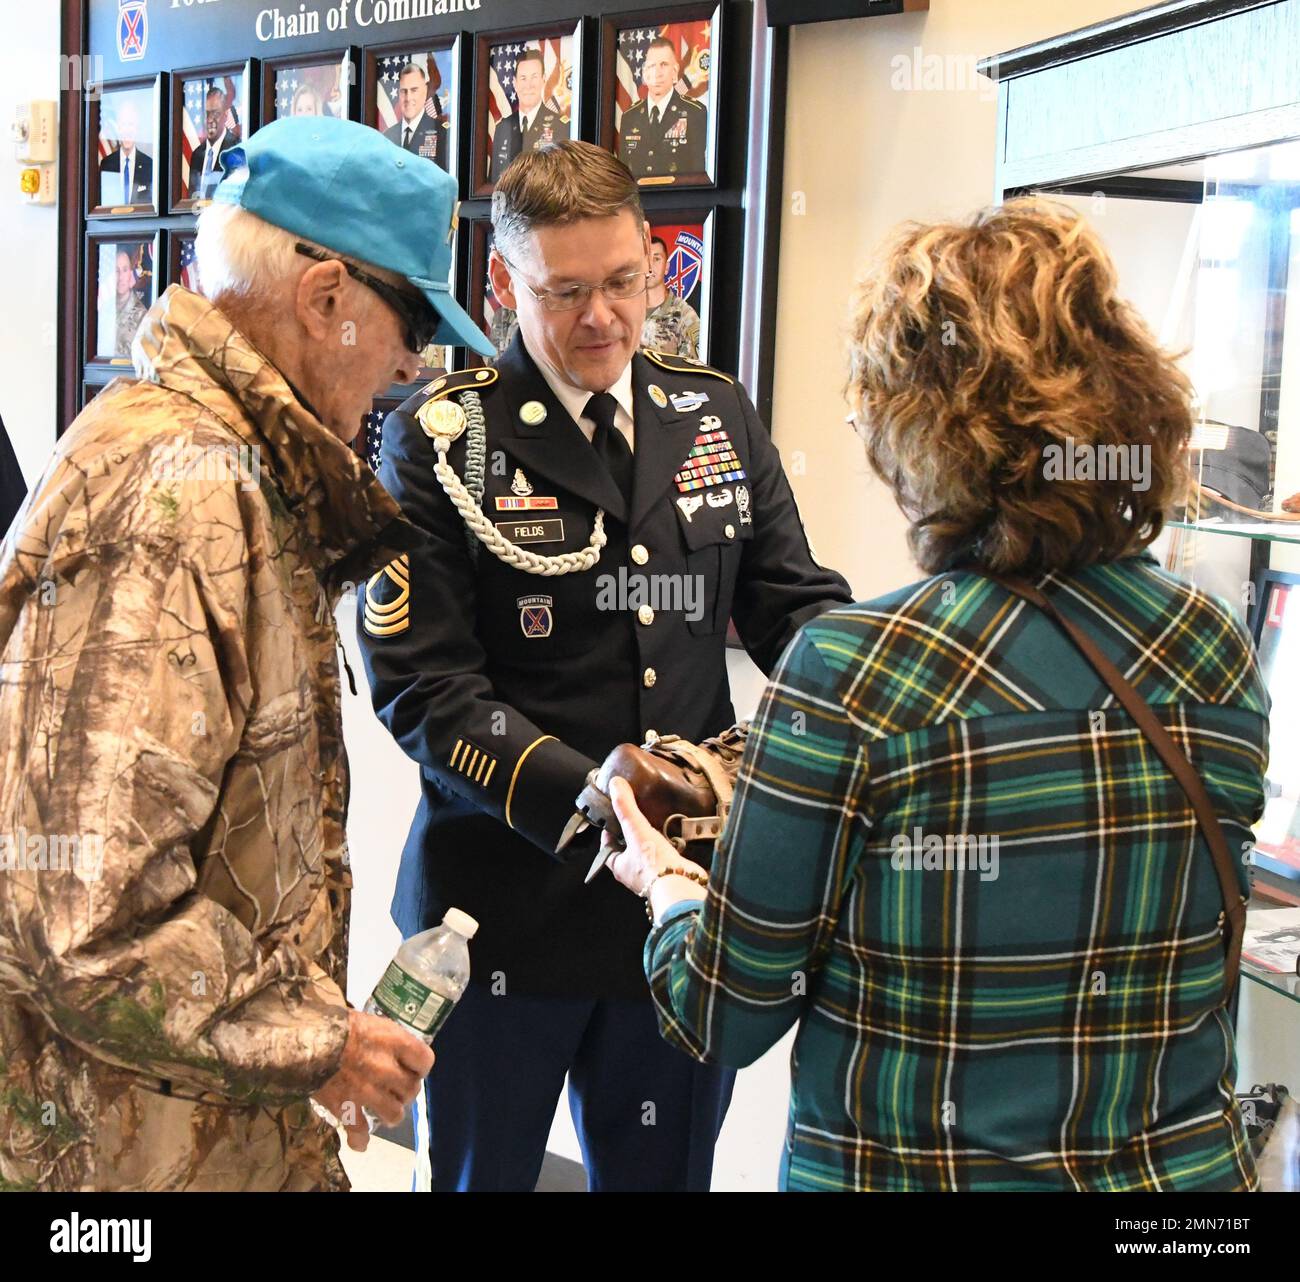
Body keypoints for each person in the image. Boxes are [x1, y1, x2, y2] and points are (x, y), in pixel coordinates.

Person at [601, 198, 1269, 1192]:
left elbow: (723, 1013)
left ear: (922, 431)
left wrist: (670, 888)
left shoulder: (853, 671)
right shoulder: (1207, 644)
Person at [0, 115, 494, 1192]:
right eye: (408, 319)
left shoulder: (233, 475)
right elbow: (87, 920)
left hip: (194, 1134)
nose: (413, 364)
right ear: (323, 298)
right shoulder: (175, 499)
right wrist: (321, 1040)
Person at [356, 139, 852, 1192]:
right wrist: (595, 800)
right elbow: (423, 688)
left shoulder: (709, 412)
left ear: (656, 267)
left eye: (623, 283)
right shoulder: (439, 438)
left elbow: (791, 604)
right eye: (565, 291)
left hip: (676, 913)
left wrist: (885, 680)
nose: (601, 319)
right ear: (502, 285)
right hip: (503, 916)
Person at [619, 37, 706, 182]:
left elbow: (698, 174)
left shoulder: (694, 112)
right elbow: (623, 175)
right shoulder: (629, 117)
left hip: (679, 199)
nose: (657, 73)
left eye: (664, 65)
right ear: (645, 73)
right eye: (652, 66)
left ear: (675, 72)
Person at [489, 48, 570, 182]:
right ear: (515, 83)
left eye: (534, 77)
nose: (529, 85)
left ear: (543, 80)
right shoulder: (503, 127)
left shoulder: (561, 126)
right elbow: (493, 184)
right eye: (523, 78)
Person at [641, 235, 701, 358]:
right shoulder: (626, 310)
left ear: (667, 267)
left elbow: (694, 370)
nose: (650, 267)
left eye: (656, 259)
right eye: (645, 259)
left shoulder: (684, 315)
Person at [383, 63, 446, 168]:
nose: (408, 98)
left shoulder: (442, 133)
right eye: (404, 91)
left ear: (425, 90)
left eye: (414, 90)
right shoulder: (388, 136)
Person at [99, 98, 153, 206]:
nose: (127, 130)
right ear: (118, 129)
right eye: (124, 125)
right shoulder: (106, 164)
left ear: (137, 129)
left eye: (131, 124)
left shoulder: (149, 164)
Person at [189, 85, 238, 201]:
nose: (210, 119)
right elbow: (191, 201)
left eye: (215, 114)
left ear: (225, 116)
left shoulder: (236, 150)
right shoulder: (196, 155)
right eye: (207, 114)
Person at [112, 247, 148, 357]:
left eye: (125, 270)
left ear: (130, 274)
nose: (121, 277)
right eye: (116, 271)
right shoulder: (103, 309)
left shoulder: (142, 315)